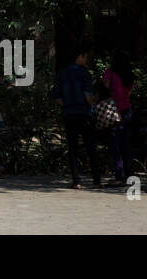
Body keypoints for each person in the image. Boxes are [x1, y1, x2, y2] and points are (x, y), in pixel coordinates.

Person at [51, 43, 103, 189]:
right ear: (79, 57)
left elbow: (57, 96)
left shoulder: (61, 73)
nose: (86, 60)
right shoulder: (84, 73)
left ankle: (76, 181)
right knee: (90, 146)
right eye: (85, 57)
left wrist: (67, 104)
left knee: (72, 147)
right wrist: (93, 102)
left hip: (69, 113)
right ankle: (97, 180)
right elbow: (87, 95)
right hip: (84, 113)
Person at [102, 54, 135, 183]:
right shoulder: (129, 75)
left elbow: (105, 89)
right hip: (127, 110)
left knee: (115, 145)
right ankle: (128, 174)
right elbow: (128, 94)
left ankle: (119, 176)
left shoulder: (110, 73)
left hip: (113, 111)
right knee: (126, 145)